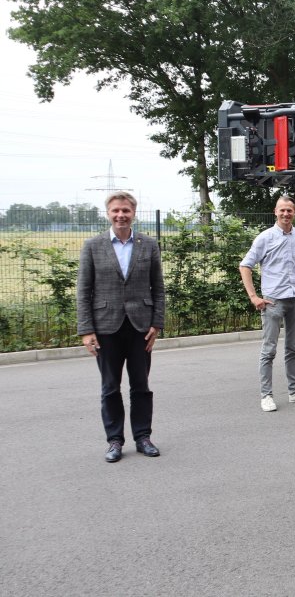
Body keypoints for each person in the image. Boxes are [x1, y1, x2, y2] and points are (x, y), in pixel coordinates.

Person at [76, 191, 165, 463]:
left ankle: (143, 437)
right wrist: (86, 330)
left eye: (125, 210)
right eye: (116, 211)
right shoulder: (93, 246)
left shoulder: (148, 245)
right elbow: (84, 290)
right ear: (108, 214)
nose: (121, 215)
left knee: (141, 385)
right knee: (110, 387)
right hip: (106, 328)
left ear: (133, 213)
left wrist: (157, 323)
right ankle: (114, 440)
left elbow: (158, 288)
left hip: (141, 328)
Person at [239, 195, 295, 412]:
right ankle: (266, 395)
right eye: (282, 210)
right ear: (275, 212)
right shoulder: (265, 238)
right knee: (269, 351)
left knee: (293, 348)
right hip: (273, 302)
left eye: (290, 210)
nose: (286, 214)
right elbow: (245, 265)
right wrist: (254, 297)